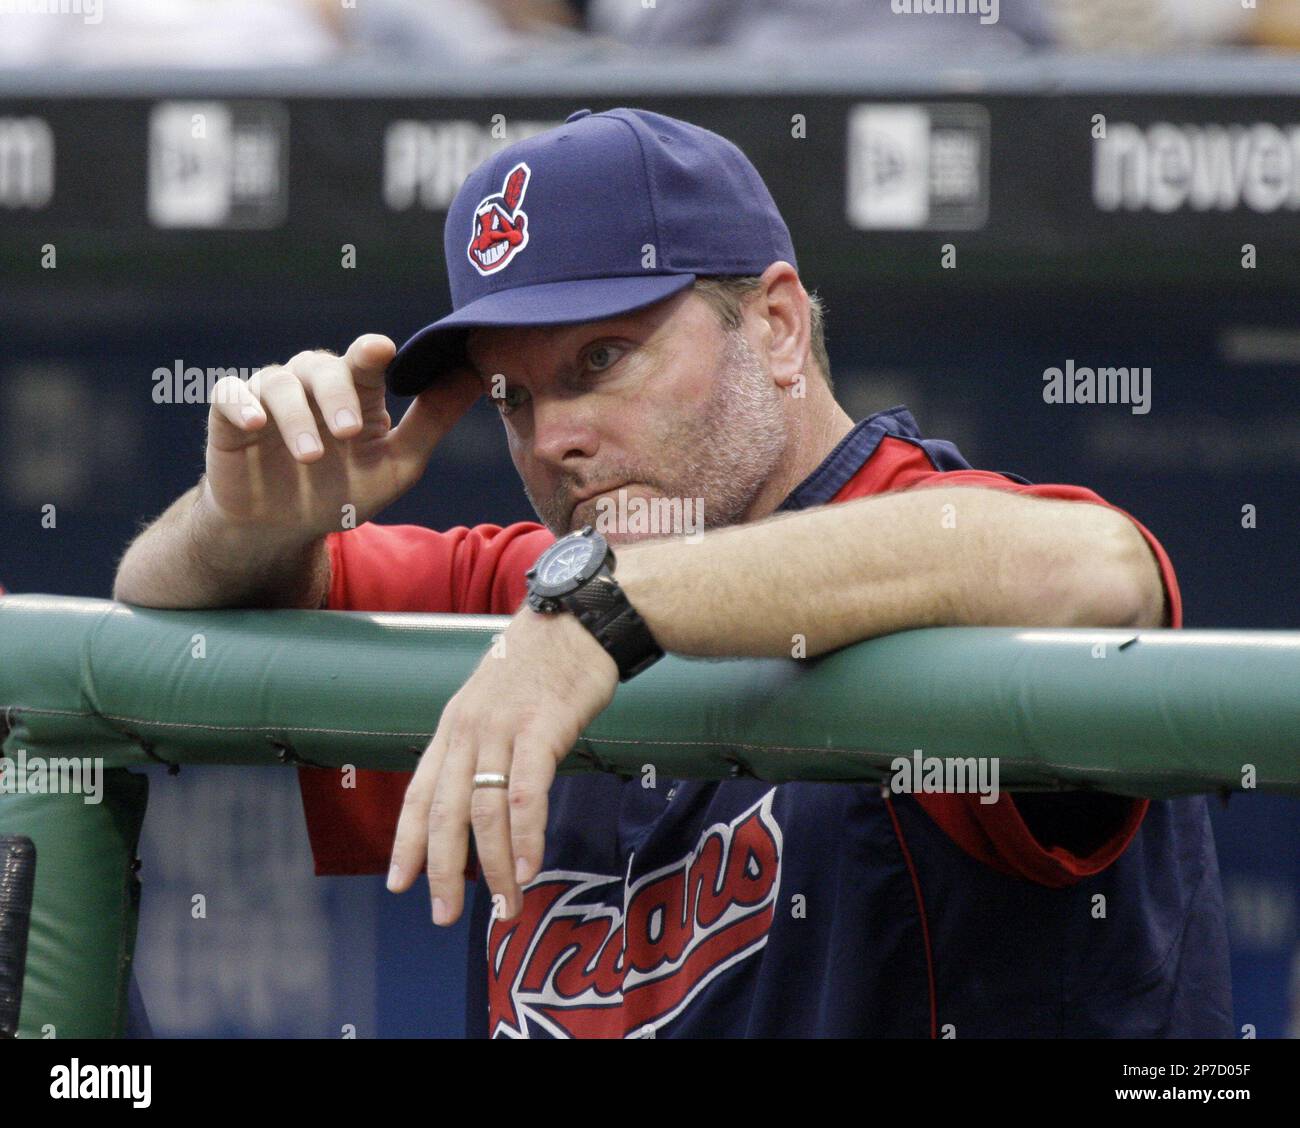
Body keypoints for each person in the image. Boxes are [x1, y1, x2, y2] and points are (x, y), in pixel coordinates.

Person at [114, 107, 1232, 1038]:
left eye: (600, 359)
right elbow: (157, 610)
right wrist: (246, 518)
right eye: (512, 396)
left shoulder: (909, 538)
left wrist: (602, 617)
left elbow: (1099, 572)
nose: (551, 437)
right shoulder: (538, 590)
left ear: (779, 327)